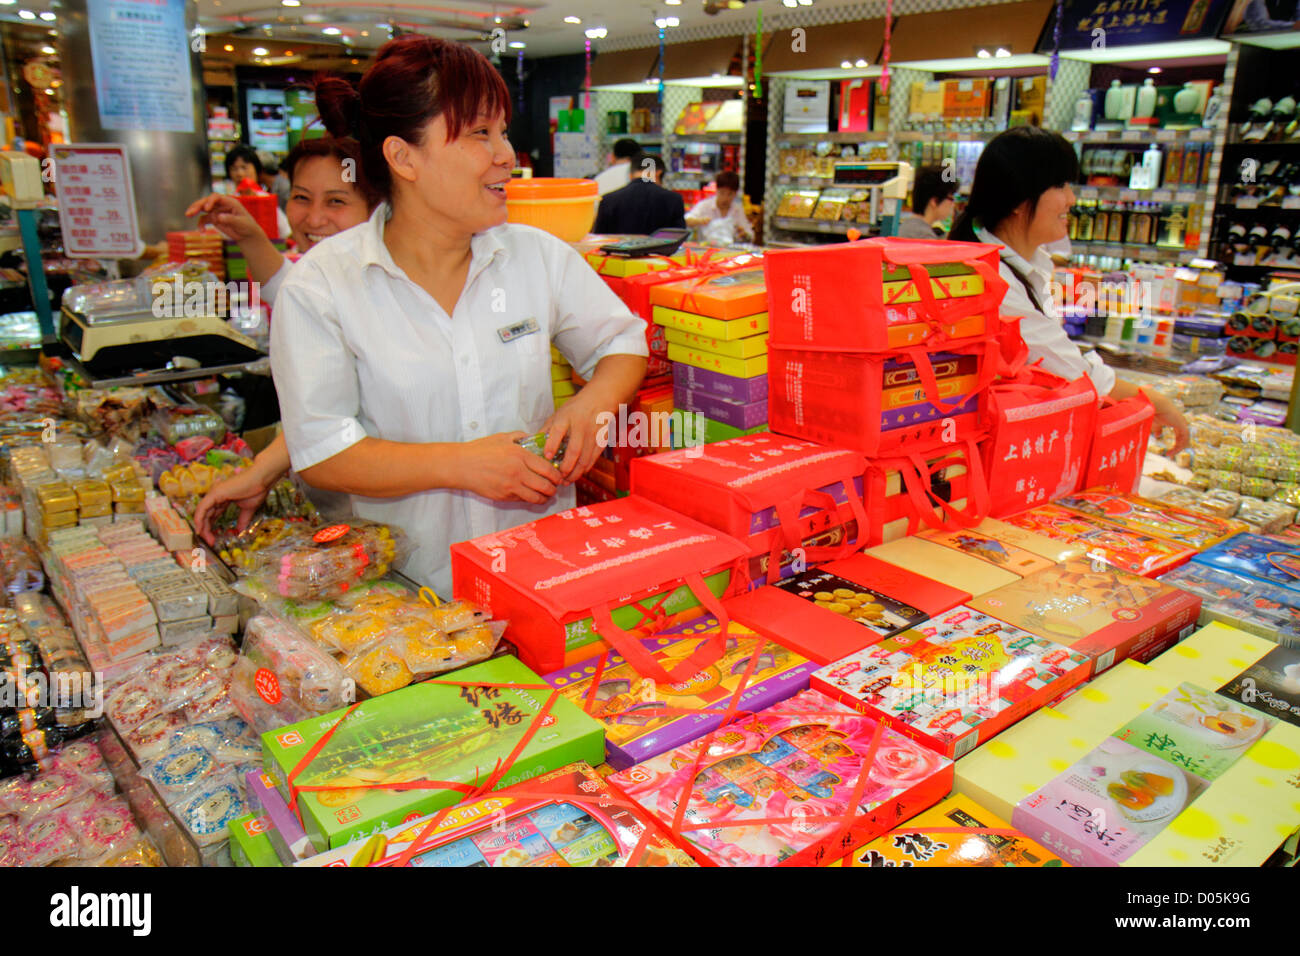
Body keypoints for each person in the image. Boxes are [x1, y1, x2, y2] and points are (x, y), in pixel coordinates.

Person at [267, 35, 649, 597]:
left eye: (502, 131)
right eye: (478, 134)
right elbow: (324, 452)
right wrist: (462, 464)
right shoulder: (321, 287)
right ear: (403, 157)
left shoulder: (534, 255)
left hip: (544, 574)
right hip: (410, 595)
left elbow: (622, 343)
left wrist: (593, 406)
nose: (505, 155)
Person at [950, 126, 1189, 452]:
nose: (1072, 200)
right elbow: (1068, 372)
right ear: (1021, 198)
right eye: (1060, 185)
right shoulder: (992, 279)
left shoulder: (1022, 263)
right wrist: (1153, 400)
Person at [188, 135, 380, 540]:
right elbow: (287, 288)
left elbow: (332, 414)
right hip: (333, 512)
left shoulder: (383, 291)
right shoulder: (325, 278)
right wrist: (250, 236)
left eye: (336, 201)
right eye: (301, 198)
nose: (312, 219)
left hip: (378, 520)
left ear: (378, 209)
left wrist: (263, 470)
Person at [593, 152, 686, 236]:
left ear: (630, 175)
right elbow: (678, 237)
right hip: (659, 254)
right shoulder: (673, 199)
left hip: (617, 254)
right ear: (658, 173)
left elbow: (600, 238)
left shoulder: (608, 200)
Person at [224, 144, 293, 243]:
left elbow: (286, 231)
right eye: (234, 169)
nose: (240, 174)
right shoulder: (229, 201)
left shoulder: (266, 200)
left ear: (256, 170)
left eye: (244, 167)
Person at [685, 171, 753, 246]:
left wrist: (744, 235)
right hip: (706, 250)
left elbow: (750, 235)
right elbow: (687, 220)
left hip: (729, 251)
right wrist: (699, 221)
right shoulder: (704, 206)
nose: (725, 198)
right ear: (717, 190)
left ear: (735, 193)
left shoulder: (737, 210)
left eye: (730, 194)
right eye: (722, 193)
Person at [897, 165, 956, 239]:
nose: (953, 205)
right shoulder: (925, 237)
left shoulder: (904, 227)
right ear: (934, 201)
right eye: (951, 199)